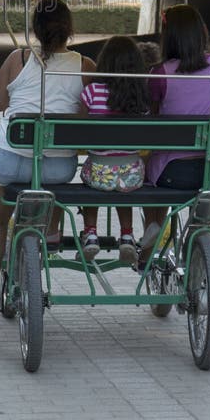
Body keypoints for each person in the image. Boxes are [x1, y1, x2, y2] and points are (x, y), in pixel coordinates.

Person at [0, 0, 97, 317]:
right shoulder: (85, 65)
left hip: (10, 159)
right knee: (50, 186)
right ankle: (49, 231)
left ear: (35, 29)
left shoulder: (18, 58)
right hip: (58, 166)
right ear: (69, 29)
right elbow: (89, 112)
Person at [145, 4, 210, 241]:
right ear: (202, 33)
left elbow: (152, 112)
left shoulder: (161, 72)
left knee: (146, 162)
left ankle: (153, 228)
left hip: (174, 172)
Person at [78, 36, 149, 265]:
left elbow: (78, 128)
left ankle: (90, 233)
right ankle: (127, 235)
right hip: (132, 174)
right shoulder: (142, 95)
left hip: (99, 173)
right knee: (122, 185)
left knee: (90, 179)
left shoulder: (92, 92)